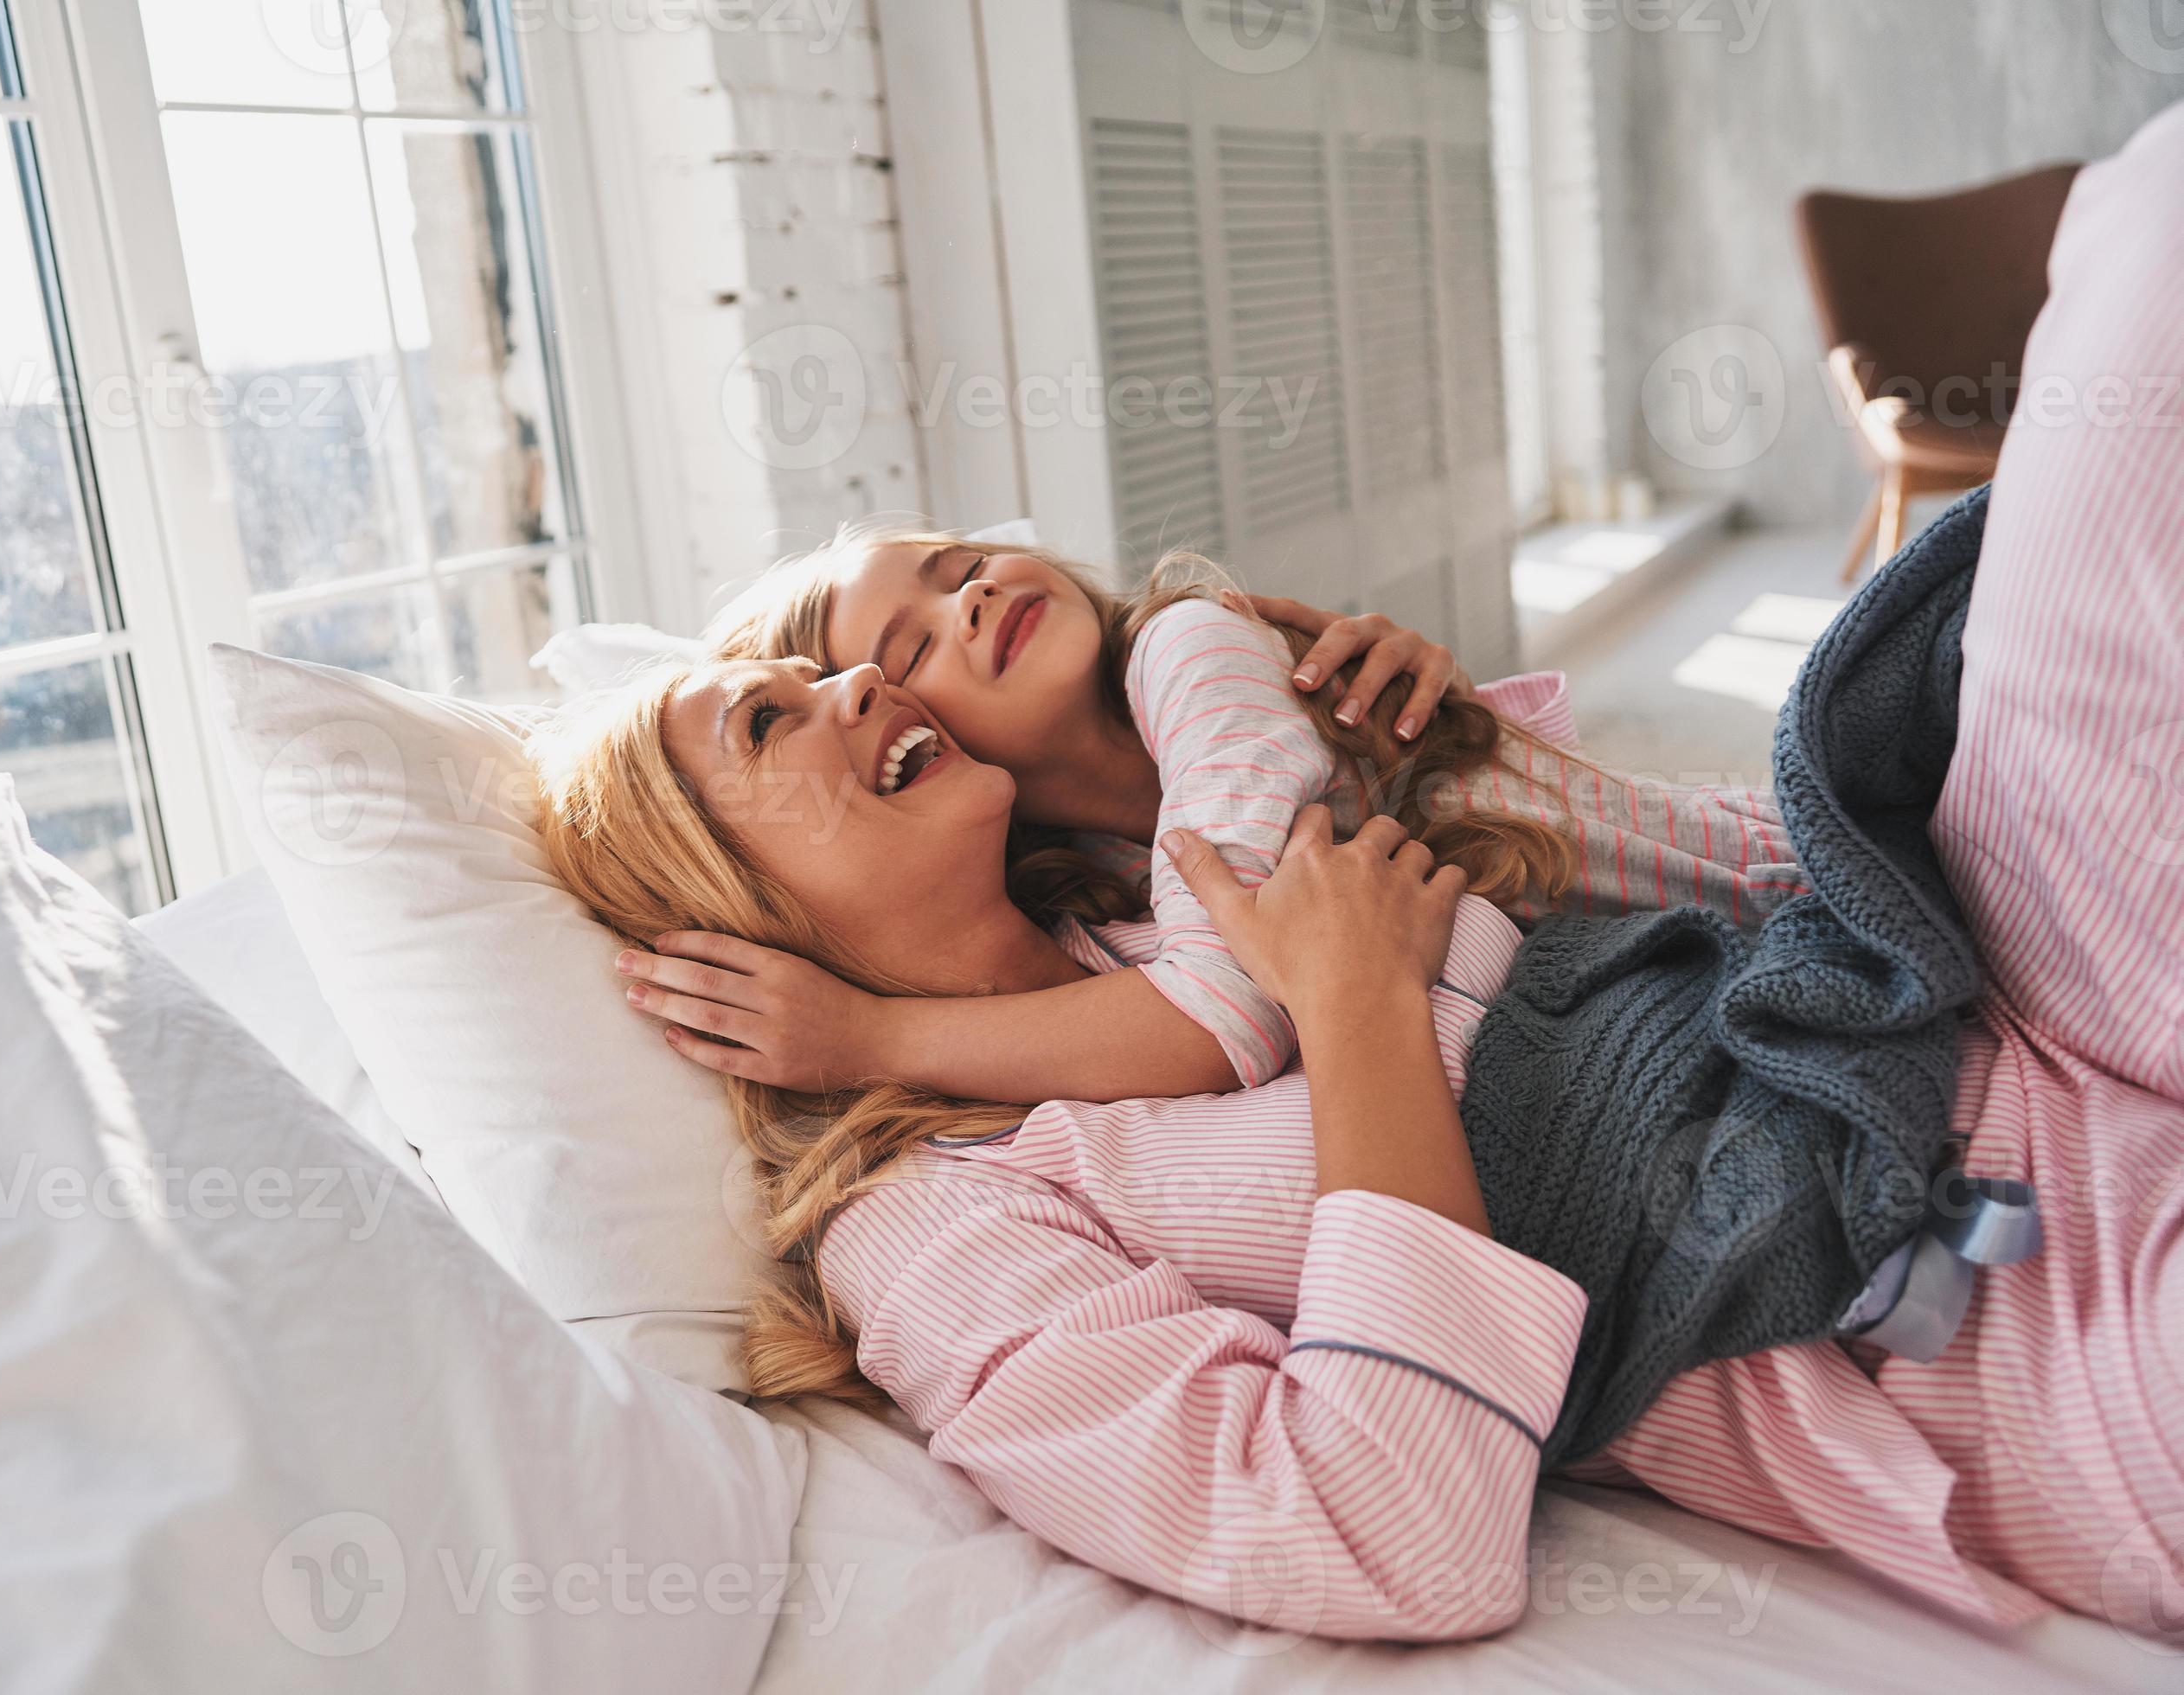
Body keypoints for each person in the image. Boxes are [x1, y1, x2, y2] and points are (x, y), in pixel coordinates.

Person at [537, 102, 2184, 1644]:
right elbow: (1387, 1528)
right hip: (1990, 1307)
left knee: (2148, 233)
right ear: (722, 902)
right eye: (778, 716)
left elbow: (1608, 866)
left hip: (1959, 967)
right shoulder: (931, 1224)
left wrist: (1407, 723)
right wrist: (1361, 1015)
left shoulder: (1139, 889)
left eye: (873, 647)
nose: (867, 685)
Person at [620, 533, 1796, 1106]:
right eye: (914, 644)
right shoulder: (1093, 880)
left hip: (1776, 876)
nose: (969, 593)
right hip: (1704, 976)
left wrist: (868, 1038)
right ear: (916, 735)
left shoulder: (1188, 652)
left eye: (955, 561)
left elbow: (1213, 1017)